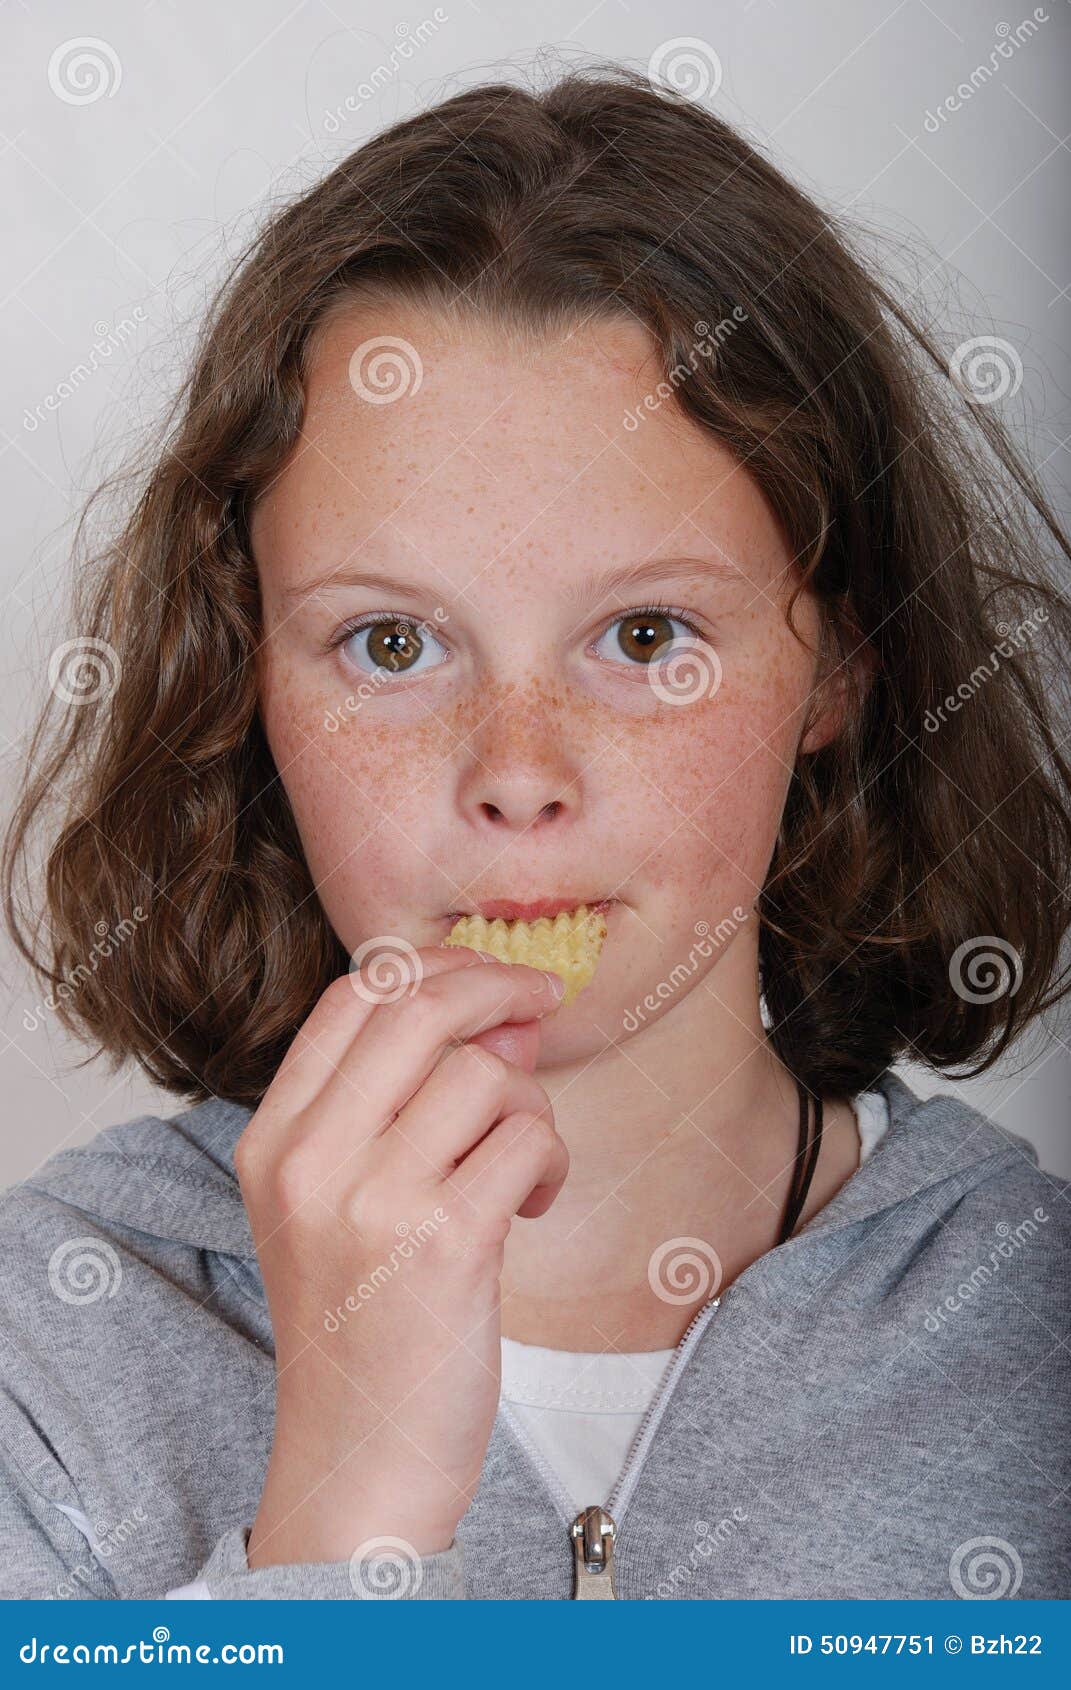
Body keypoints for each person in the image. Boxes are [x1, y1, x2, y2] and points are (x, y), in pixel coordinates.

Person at [1, 65, 1069, 1602]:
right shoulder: (43, 1345)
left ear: (838, 664)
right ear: (246, 686)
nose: (517, 775)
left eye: (643, 635)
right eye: (389, 644)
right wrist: (349, 1509)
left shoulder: (1038, 1344)